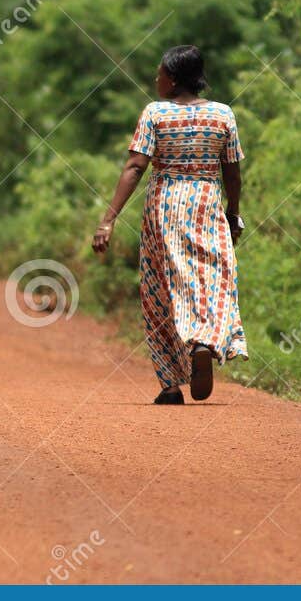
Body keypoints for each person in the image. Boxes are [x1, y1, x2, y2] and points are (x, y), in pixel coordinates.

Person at [93, 45, 247, 404]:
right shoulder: (223, 115)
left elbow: (135, 167)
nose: (155, 79)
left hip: (166, 203)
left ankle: (170, 383)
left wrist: (108, 221)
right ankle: (205, 340)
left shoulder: (155, 113)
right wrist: (233, 211)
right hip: (208, 202)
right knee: (214, 277)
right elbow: (233, 171)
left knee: (161, 286)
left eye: (159, 73)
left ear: (173, 79)